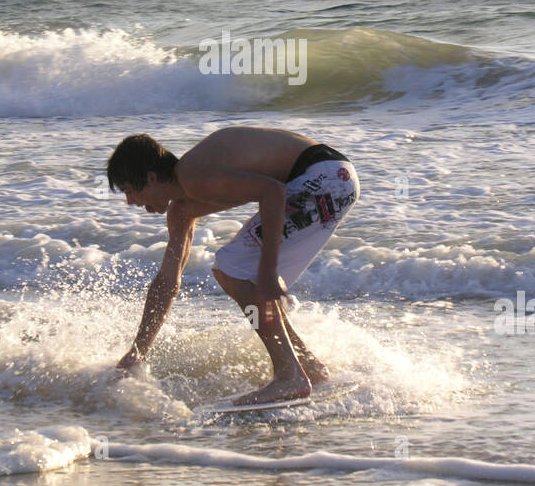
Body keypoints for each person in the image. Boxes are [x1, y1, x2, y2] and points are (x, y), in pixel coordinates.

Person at [107, 126, 360, 406]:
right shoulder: (182, 208)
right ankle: (306, 365)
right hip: (334, 178)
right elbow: (168, 282)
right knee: (239, 275)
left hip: (323, 176)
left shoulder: (193, 175)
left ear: (151, 178)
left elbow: (273, 192)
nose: (130, 202)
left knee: (231, 269)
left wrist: (267, 271)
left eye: (129, 191)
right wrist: (139, 351)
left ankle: (290, 375)